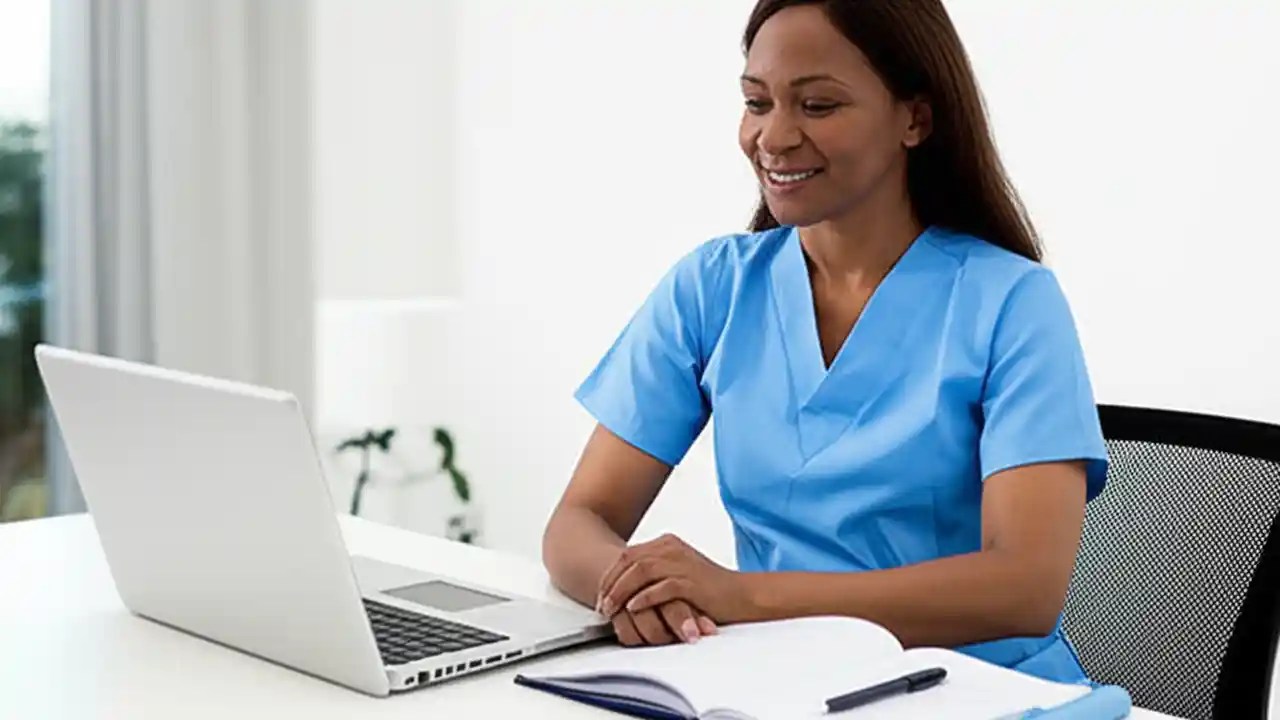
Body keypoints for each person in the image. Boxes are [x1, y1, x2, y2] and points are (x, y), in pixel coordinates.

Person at [541, 0, 1107, 685]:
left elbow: (1023, 588)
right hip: (789, 688)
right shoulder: (714, 289)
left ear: (915, 119)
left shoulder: (1011, 302)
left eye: (817, 106)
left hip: (982, 692)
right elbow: (579, 522)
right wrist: (640, 590)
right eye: (757, 102)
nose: (773, 137)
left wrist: (742, 598)